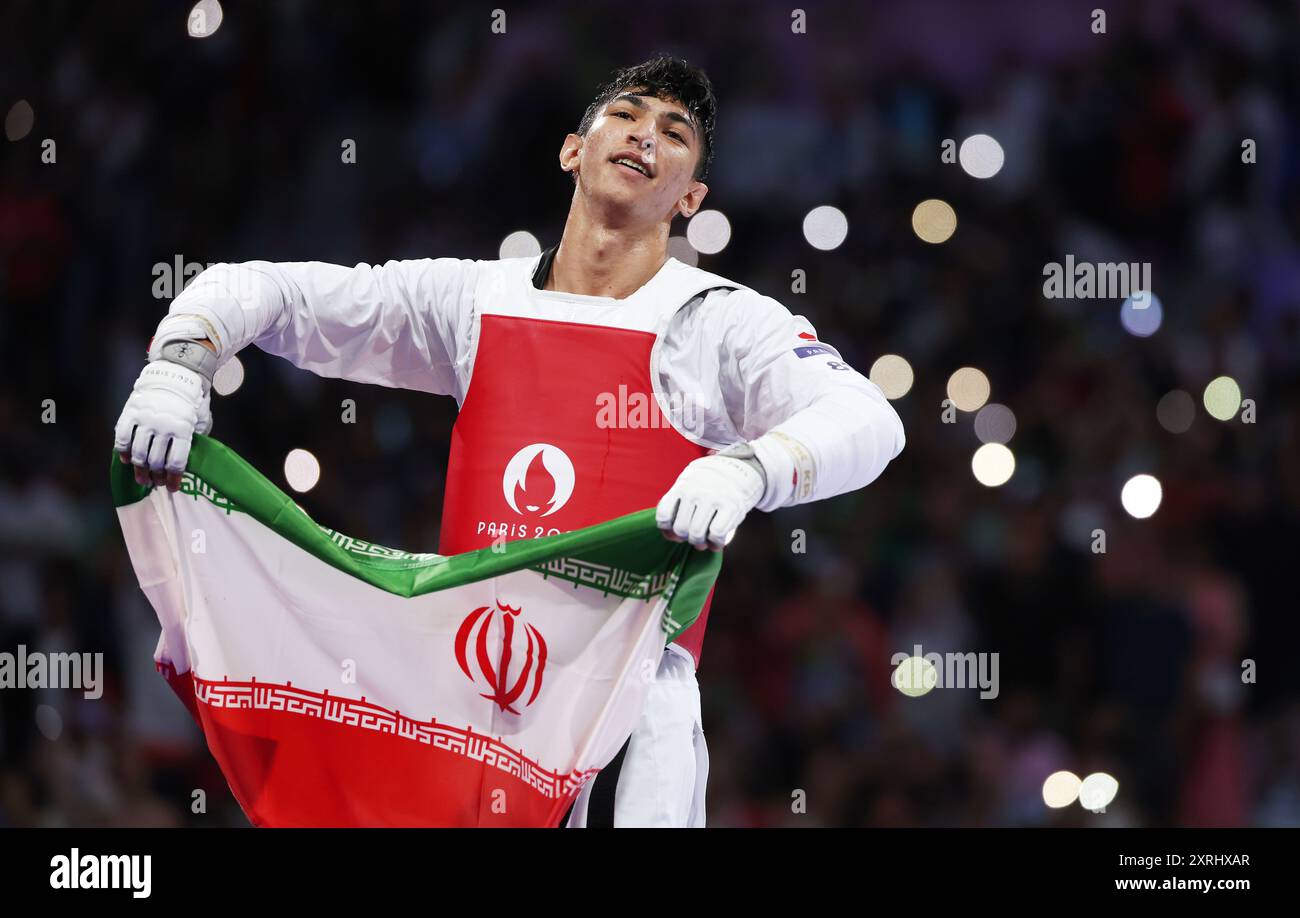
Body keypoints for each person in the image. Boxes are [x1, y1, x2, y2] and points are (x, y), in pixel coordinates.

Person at [113, 54, 905, 827]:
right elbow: (271, 289)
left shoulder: (718, 321)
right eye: (624, 115)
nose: (644, 136)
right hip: (458, 709)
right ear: (574, 149)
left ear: (690, 195)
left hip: (620, 720)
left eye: (673, 132)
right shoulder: (473, 300)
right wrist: (183, 361)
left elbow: (871, 421)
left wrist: (750, 468)